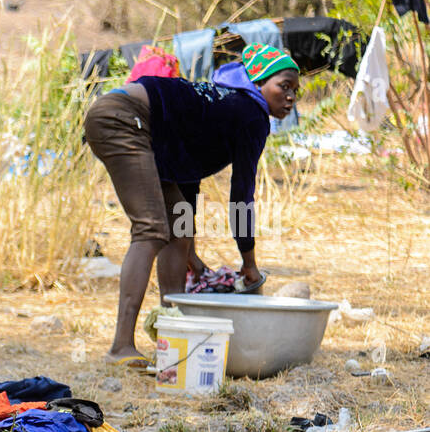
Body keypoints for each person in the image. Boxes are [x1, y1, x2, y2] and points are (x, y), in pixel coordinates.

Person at [84, 44, 299, 366]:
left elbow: (186, 180)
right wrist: (249, 262)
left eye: (297, 91)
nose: (292, 97)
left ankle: (173, 340)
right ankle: (120, 347)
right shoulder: (251, 114)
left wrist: (192, 256)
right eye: (284, 86)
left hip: (137, 126)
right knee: (151, 230)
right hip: (124, 119)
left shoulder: (225, 106)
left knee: (178, 235)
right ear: (257, 83)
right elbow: (242, 195)